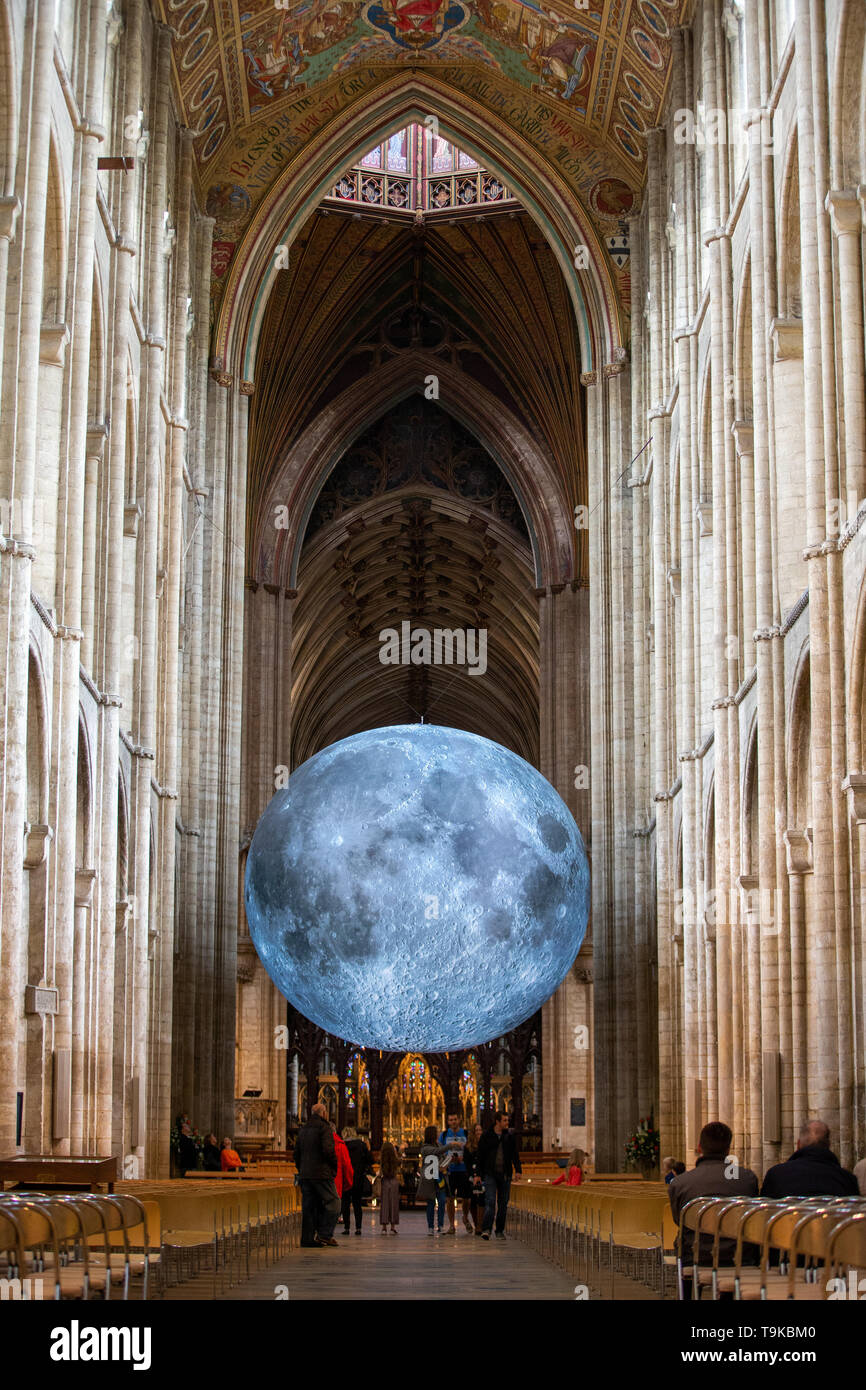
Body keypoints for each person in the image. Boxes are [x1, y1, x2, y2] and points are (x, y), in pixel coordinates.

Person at [668, 1122, 759, 1272]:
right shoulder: (747, 1179)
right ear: (728, 1149)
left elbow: (680, 1220)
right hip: (739, 1254)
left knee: (683, 1237)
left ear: (699, 1147)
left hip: (696, 1254)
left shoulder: (680, 1183)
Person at [760, 1120, 859, 1198]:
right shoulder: (847, 1179)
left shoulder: (776, 1175)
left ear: (798, 1144)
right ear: (828, 1145)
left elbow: (765, 1213)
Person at [294, 1102, 341, 1247]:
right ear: (324, 1113)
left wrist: (301, 1169)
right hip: (321, 1174)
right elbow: (328, 1150)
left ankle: (307, 1239)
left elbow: (296, 1153)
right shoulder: (324, 1128)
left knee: (309, 1206)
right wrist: (334, 1166)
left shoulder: (303, 1129)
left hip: (305, 1174)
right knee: (334, 1202)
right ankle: (324, 1234)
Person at [476, 1112, 522, 1239]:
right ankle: (486, 1229)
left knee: (503, 1203)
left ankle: (499, 1230)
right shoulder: (487, 1136)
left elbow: (515, 1155)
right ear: (497, 1121)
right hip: (490, 1173)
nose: (507, 1123)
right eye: (505, 1120)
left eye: (508, 1120)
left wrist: (518, 1170)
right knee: (490, 1201)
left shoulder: (509, 1136)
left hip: (505, 1174)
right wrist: (478, 1174)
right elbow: (480, 1156)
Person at [440, 1111, 472, 1233]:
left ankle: (465, 1217)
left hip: (463, 1170)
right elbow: (440, 1152)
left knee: (466, 1198)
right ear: (448, 1122)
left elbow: (470, 1152)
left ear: (459, 1120)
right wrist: (450, 1160)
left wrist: (462, 1159)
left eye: (455, 1119)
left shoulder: (465, 1134)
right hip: (450, 1171)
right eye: (451, 1120)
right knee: (450, 1198)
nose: (453, 1122)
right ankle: (452, 1225)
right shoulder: (443, 1135)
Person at [416, 1124, 451, 1236]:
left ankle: (440, 1225)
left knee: (441, 1201)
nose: (438, 1134)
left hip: (439, 1177)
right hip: (430, 1178)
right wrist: (451, 1145)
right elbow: (437, 1152)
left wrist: (446, 1162)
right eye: (436, 1132)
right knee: (431, 1203)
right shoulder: (425, 1147)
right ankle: (430, 1227)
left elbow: (443, 1156)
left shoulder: (439, 1145)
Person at [341, 1128, 373, 1235]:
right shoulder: (361, 1145)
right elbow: (370, 1160)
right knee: (357, 1203)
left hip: (346, 1177)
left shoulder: (342, 1145)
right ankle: (358, 1228)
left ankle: (346, 1227)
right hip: (358, 1177)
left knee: (345, 1202)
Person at [465, 1123, 485, 1235]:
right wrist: (471, 1176)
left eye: (480, 1130)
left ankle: (480, 1225)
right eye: (476, 1130)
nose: (478, 1132)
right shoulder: (468, 1147)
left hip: (482, 1176)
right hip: (471, 1176)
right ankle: (476, 1222)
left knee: (482, 1200)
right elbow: (467, 1163)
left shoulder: (484, 1145)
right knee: (472, 1200)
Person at [378, 1140, 400, 1235]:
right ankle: (393, 1226)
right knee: (394, 1204)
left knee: (385, 1204)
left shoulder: (382, 1160)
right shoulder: (395, 1160)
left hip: (385, 1182)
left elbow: (380, 1172)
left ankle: (384, 1227)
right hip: (394, 1182)